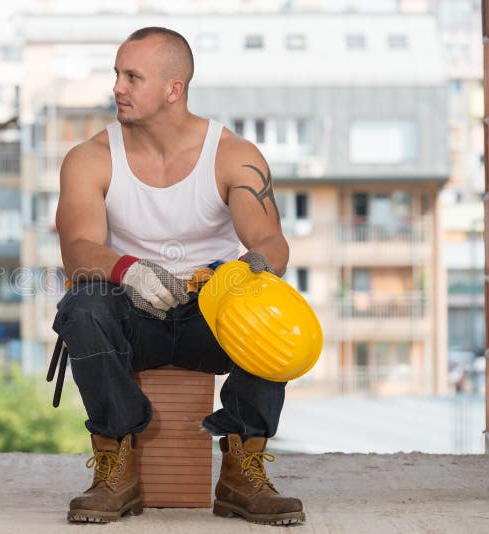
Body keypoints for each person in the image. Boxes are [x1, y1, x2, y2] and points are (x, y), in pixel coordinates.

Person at [52, 26, 304, 526]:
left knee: (273, 307)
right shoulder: (90, 158)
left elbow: (271, 243)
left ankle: (240, 469)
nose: (117, 87)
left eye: (132, 77)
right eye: (117, 74)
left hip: (211, 314)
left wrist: (239, 272)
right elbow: (77, 251)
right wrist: (129, 270)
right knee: (82, 306)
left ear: (174, 88)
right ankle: (116, 466)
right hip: (131, 314)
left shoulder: (233, 154)